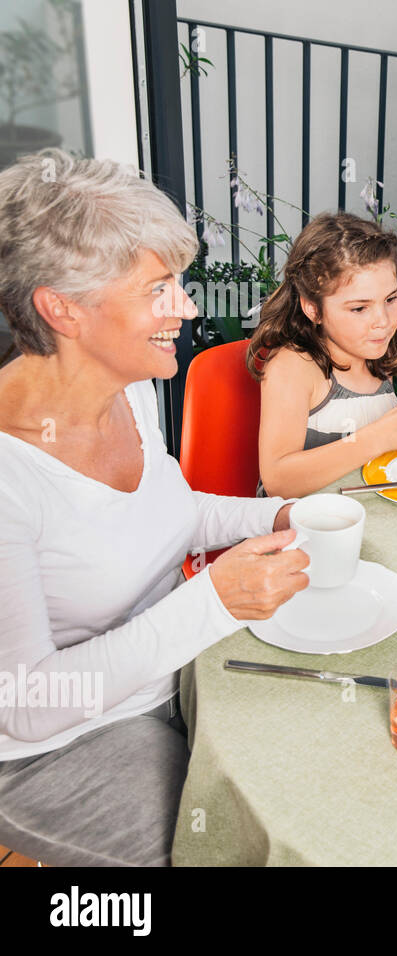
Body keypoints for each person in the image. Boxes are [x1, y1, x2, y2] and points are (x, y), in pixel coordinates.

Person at [0, 149, 309, 866]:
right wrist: (215, 603)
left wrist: (277, 516)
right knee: (225, 849)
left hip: (170, 674)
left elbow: (172, 515)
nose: (188, 307)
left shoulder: (127, 386)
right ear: (62, 308)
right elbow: (25, 702)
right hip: (58, 744)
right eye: (157, 289)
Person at [249, 212, 397, 498]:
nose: (383, 321)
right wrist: (384, 434)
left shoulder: (373, 356)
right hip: (302, 527)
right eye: (359, 308)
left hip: (368, 514)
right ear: (313, 308)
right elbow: (278, 480)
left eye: (389, 299)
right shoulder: (294, 366)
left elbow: (374, 463)